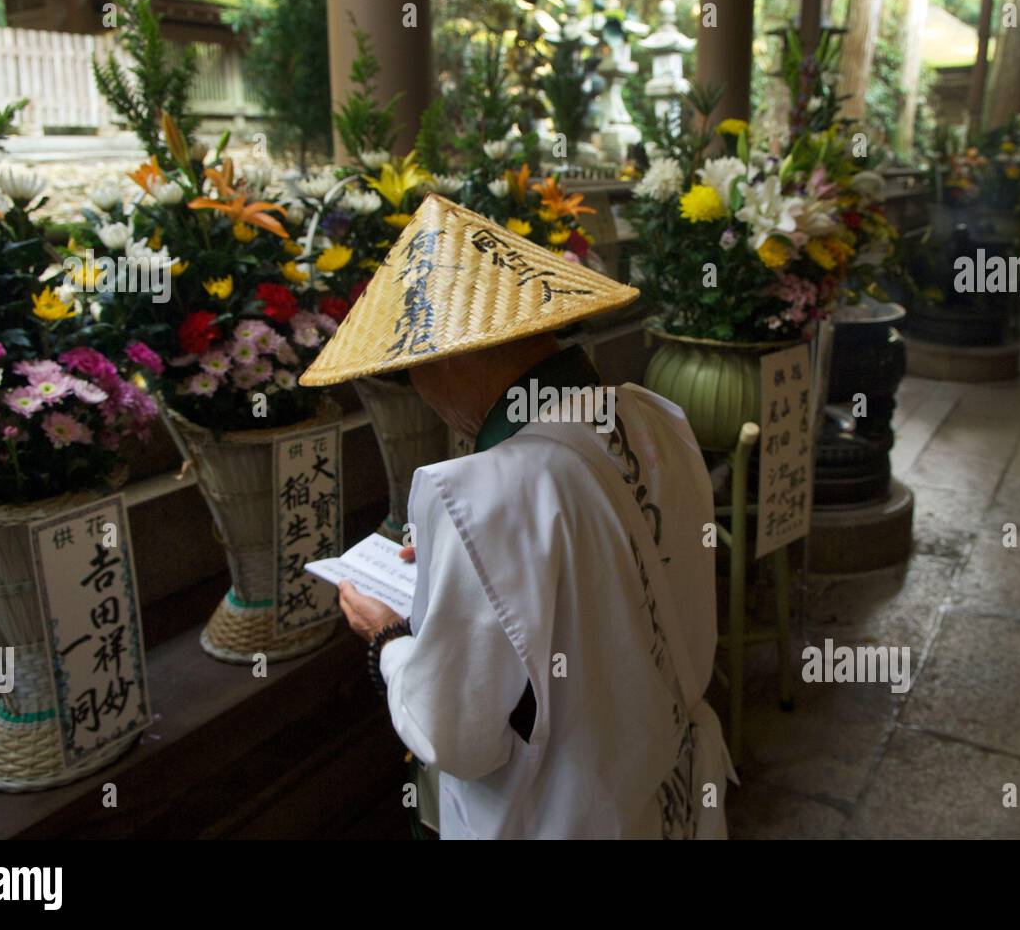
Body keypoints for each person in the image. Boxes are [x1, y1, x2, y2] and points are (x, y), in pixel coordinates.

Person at [301, 194, 735, 839]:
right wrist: (474, 567)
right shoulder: (652, 415)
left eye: (411, 370)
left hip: (568, 815)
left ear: (448, 353)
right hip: (668, 784)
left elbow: (460, 739)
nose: (421, 392)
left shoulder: (477, 490)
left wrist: (389, 639)